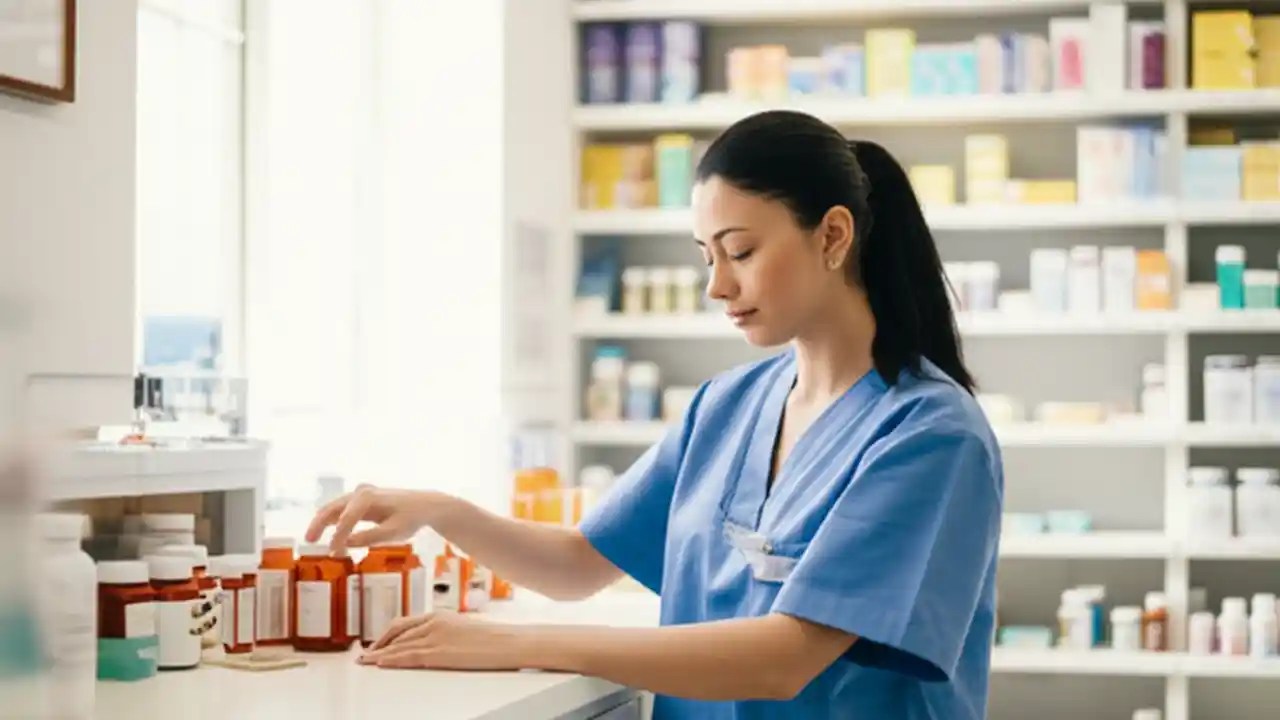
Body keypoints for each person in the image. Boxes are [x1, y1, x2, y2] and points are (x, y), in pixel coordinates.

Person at [306, 110, 1003, 719]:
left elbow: (784, 659)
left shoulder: (930, 436)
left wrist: (511, 642)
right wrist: (442, 511)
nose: (716, 284)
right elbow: (577, 565)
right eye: (706, 256)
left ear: (832, 236)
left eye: (741, 251)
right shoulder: (727, 408)